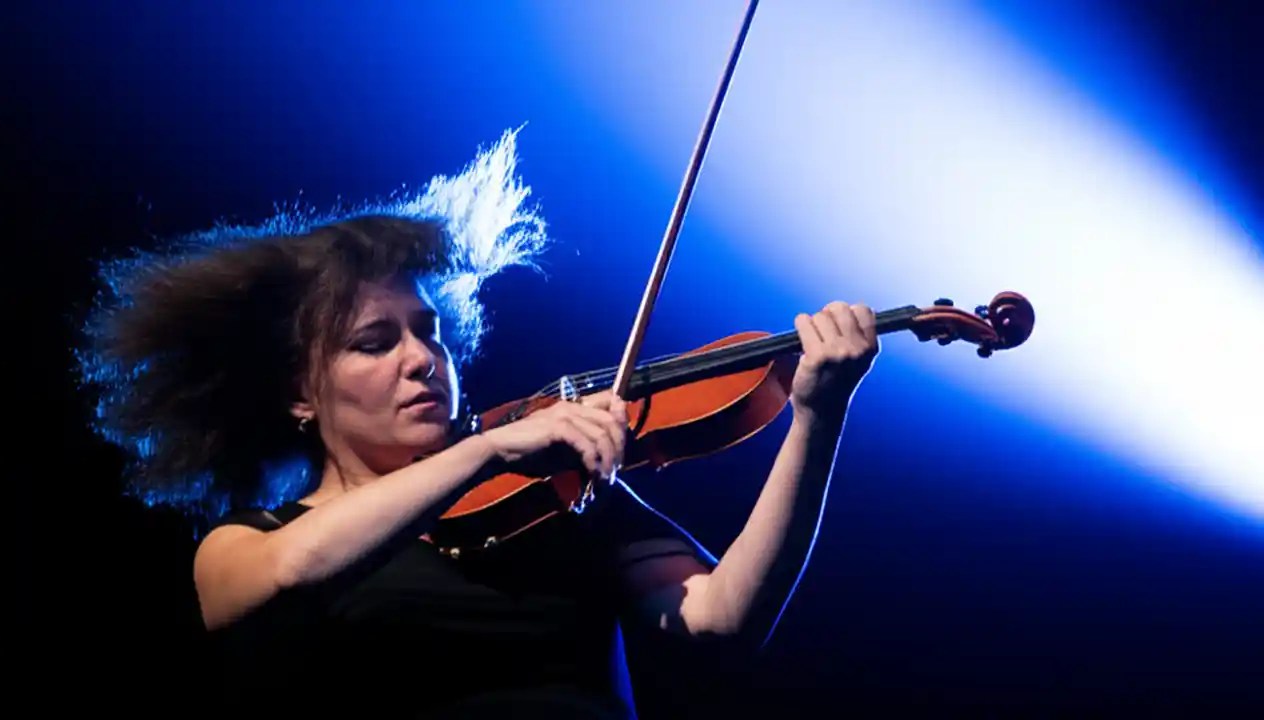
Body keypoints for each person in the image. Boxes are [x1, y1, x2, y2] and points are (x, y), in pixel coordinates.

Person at [76, 133, 878, 718]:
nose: (423, 359)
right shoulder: (247, 544)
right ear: (299, 394)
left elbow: (720, 618)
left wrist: (815, 415)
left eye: (429, 331)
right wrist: (488, 447)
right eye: (373, 342)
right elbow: (289, 573)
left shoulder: (552, 497)